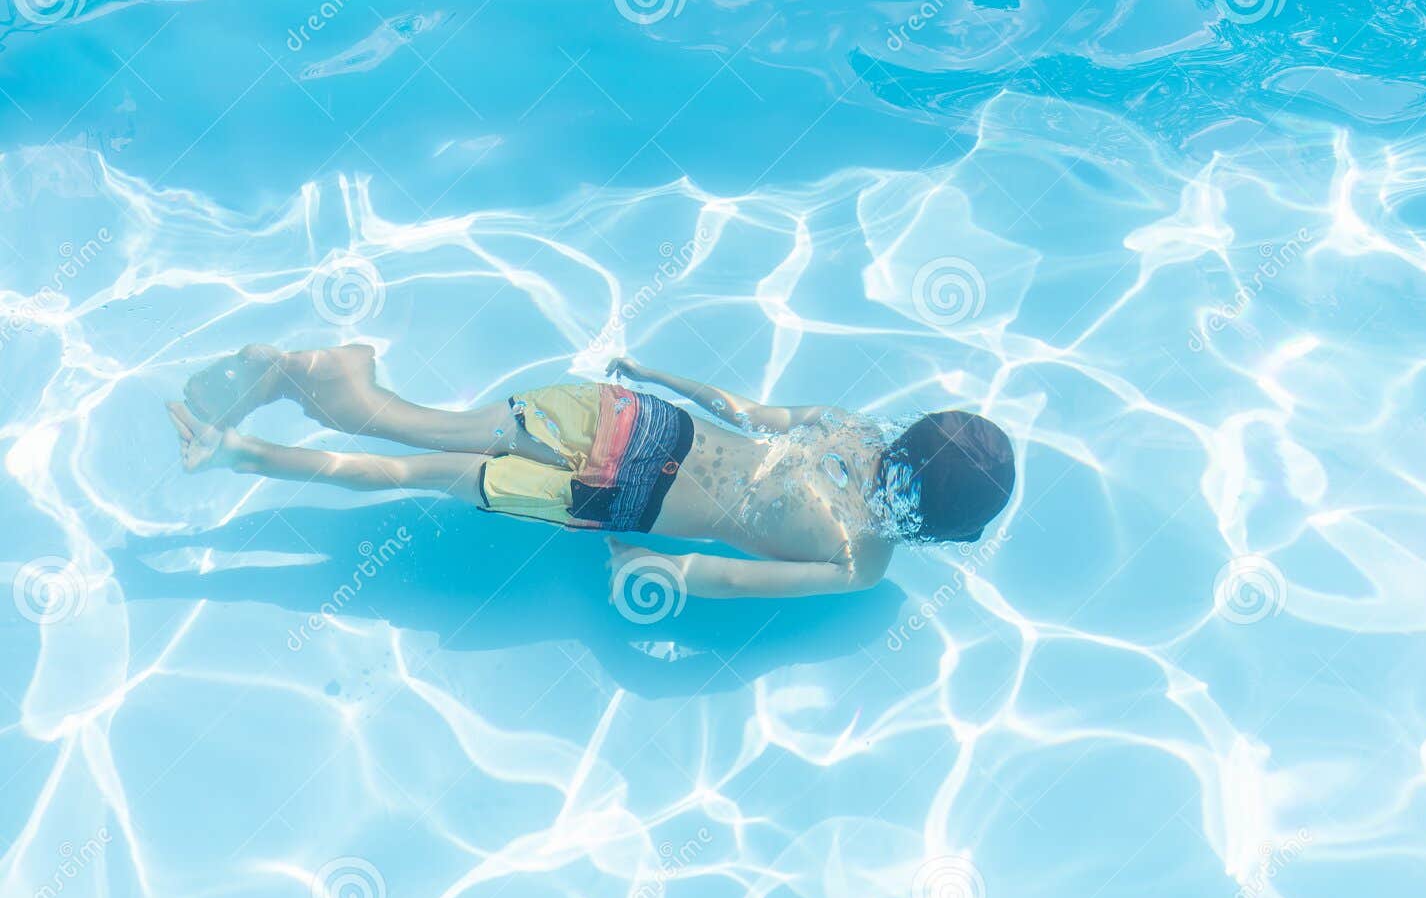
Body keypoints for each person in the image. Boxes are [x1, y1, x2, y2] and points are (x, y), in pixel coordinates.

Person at [168, 344, 1015, 600]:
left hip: (640, 419)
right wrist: (647, 566)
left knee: (417, 426)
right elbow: (723, 578)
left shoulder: (856, 429)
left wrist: (658, 377)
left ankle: (315, 376)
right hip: (624, 495)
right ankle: (238, 453)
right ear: (946, 525)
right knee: (421, 473)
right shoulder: (863, 560)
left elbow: (747, 411)